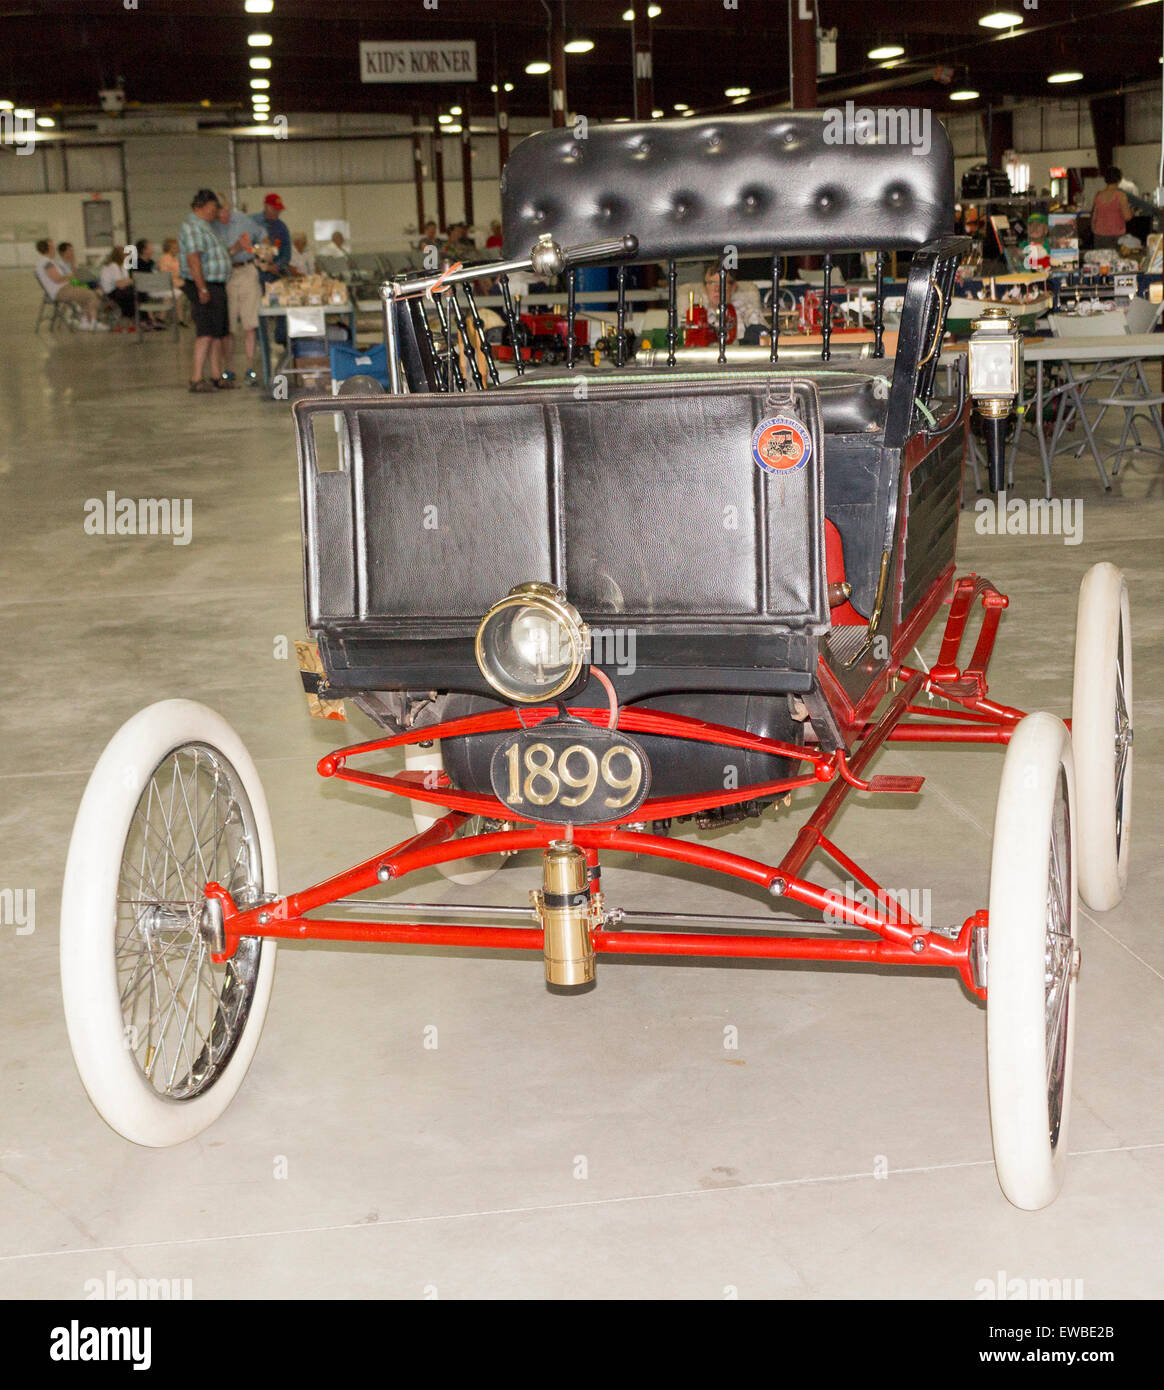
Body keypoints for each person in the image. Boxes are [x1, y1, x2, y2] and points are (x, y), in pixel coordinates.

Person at [178, 188, 234, 392]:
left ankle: (216, 375)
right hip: (204, 284)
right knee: (206, 332)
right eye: (212, 208)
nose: (214, 212)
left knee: (218, 332)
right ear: (200, 207)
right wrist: (201, 287)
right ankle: (195, 378)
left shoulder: (208, 226)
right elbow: (194, 259)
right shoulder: (192, 227)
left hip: (216, 284)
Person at [215, 195, 264, 385]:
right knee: (228, 326)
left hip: (247, 271)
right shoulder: (212, 227)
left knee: (250, 324)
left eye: (227, 211)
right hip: (226, 274)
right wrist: (235, 247)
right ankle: (229, 368)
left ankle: (250, 368)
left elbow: (261, 235)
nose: (224, 216)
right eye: (220, 213)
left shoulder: (243, 219)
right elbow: (218, 255)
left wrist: (263, 246)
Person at [33, 237, 106, 330]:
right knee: (91, 295)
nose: (54, 249)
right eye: (52, 247)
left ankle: (85, 321)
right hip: (61, 291)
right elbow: (57, 279)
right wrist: (70, 276)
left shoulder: (47, 262)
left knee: (87, 293)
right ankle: (92, 323)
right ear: (49, 249)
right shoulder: (47, 263)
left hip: (65, 288)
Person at [700, 262, 765, 335]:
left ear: (733, 287)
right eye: (712, 283)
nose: (717, 288)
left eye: (722, 282)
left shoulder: (747, 311)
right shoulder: (696, 314)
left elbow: (764, 337)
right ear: (705, 288)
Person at [1091, 167, 1133, 250]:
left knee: (1100, 261)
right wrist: (1132, 211)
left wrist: (1095, 232)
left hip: (1099, 236)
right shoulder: (1121, 195)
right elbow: (1127, 216)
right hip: (1116, 236)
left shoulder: (1098, 195)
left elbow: (1094, 217)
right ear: (1119, 179)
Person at [256, 191, 292, 285]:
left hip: (275, 277)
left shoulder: (282, 227)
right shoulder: (252, 223)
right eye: (275, 209)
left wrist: (277, 266)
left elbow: (287, 252)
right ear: (266, 206)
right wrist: (262, 265)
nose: (277, 213)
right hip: (255, 276)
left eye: (279, 210)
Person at [158, 236, 190, 326]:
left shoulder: (175, 259)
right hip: (169, 282)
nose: (177, 250)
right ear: (168, 248)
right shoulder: (164, 258)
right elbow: (165, 273)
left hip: (176, 282)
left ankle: (163, 318)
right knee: (174, 294)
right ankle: (177, 319)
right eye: (175, 248)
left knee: (176, 295)